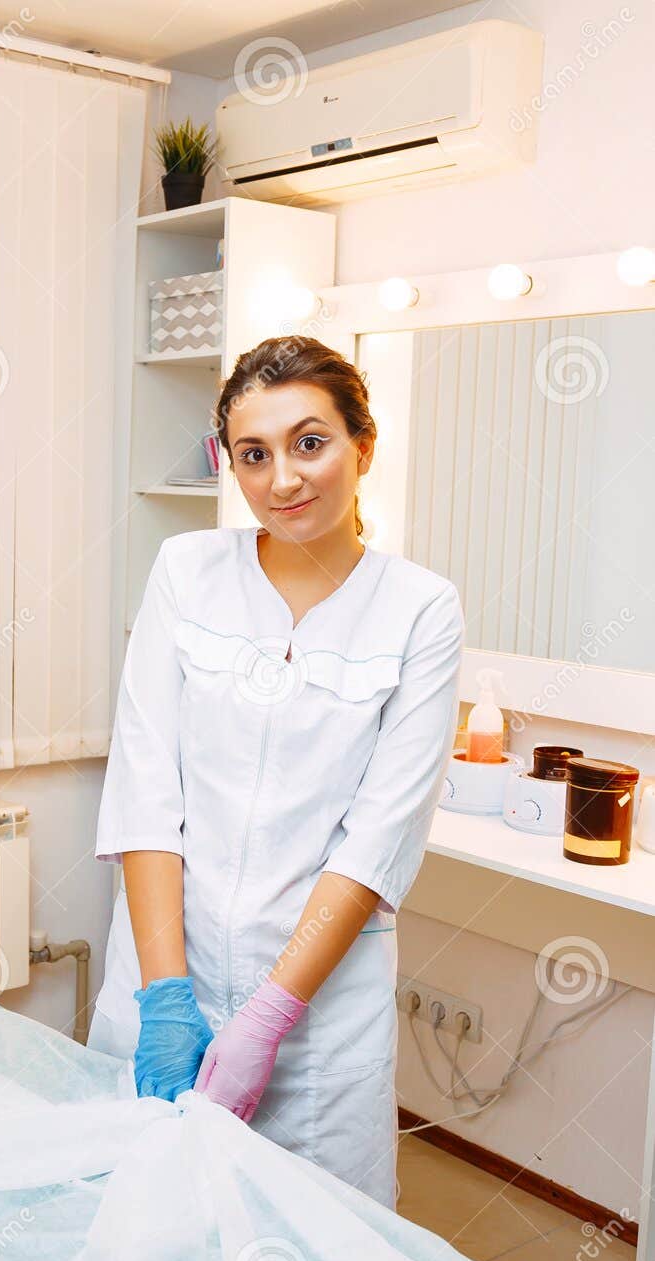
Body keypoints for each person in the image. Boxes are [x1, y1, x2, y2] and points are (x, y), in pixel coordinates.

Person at [85, 335, 465, 1209]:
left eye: (309, 442)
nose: (282, 480)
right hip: (160, 972)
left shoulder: (418, 608)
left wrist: (267, 1017)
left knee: (308, 1249)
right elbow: (146, 790)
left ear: (362, 446)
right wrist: (166, 997)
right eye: (253, 455)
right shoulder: (187, 569)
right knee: (142, 1226)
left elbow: (375, 841)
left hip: (313, 1020)